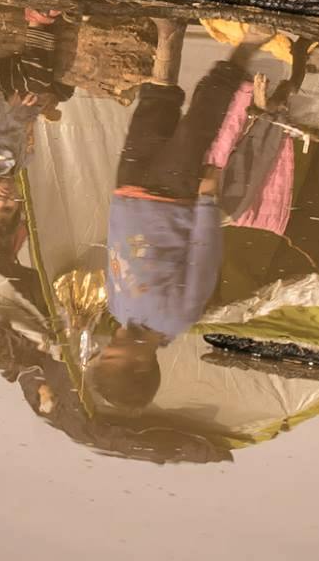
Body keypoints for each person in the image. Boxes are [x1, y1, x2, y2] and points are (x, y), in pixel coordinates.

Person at [89, 44, 249, 412]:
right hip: (173, 196)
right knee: (200, 122)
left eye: (103, 354)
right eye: (113, 357)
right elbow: (204, 256)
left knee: (153, 110)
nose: (108, 347)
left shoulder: (118, 309)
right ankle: (244, 51)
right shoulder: (177, 316)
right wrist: (206, 201)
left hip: (129, 189)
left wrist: (120, 199)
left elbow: (117, 247)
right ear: (141, 364)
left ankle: (168, 38)